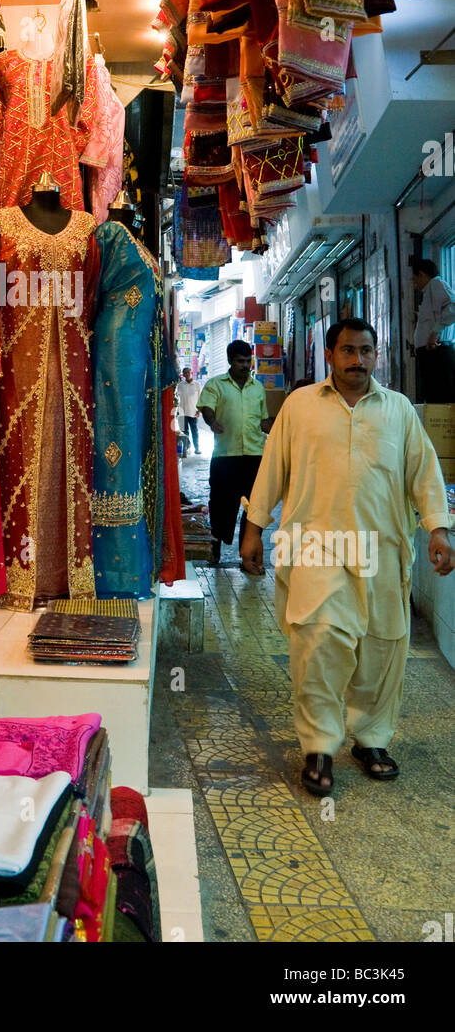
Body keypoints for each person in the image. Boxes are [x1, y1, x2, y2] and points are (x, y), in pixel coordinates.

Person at [240, 318, 454, 798]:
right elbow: (271, 467)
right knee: (318, 648)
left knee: (381, 650)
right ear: (330, 356)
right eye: (347, 351)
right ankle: (318, 746)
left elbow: (424, 474)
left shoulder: (397, 410)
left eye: (366, 351)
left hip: (382, 549)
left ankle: (371, 739)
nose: (357, 360)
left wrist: (437, 529)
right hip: (316, 548)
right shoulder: (300, 407)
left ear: (377, 355)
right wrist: (252, 530)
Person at [197, 340, 271, 565]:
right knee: (221, 507)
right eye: (240, 361)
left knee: (254, 507)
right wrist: (212, 422)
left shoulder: (257, 387)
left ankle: (247, 555)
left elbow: (263, 420)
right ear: (230, 361)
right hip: (225, 457)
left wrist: (281, 431)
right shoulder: (216, 384)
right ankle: (215, 552)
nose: (245, 365)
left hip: (254, 456)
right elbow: (206, 408)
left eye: (248, 361)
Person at [410, 258, 455, 402]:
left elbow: (453, 306)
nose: (414, 283)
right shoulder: (430, 290)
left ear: (422, 274)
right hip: (429, 353)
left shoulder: (436, 283)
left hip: (436, 352)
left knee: (441, 398)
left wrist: (435, 332)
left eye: (415, 278)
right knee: (433, 398)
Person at [176, 366, 202, 455]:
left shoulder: (197, 385)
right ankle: (186, 447)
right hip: (182, 412)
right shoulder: (180, 385)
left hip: (193, 412)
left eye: (188, 372)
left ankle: (197, 448)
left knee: (194, 431)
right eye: (185, 373)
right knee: (184, 432)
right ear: (183, 375)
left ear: (192, 373)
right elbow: (177, 397)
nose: (187, 374)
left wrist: (199, 411)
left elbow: (200, 399)